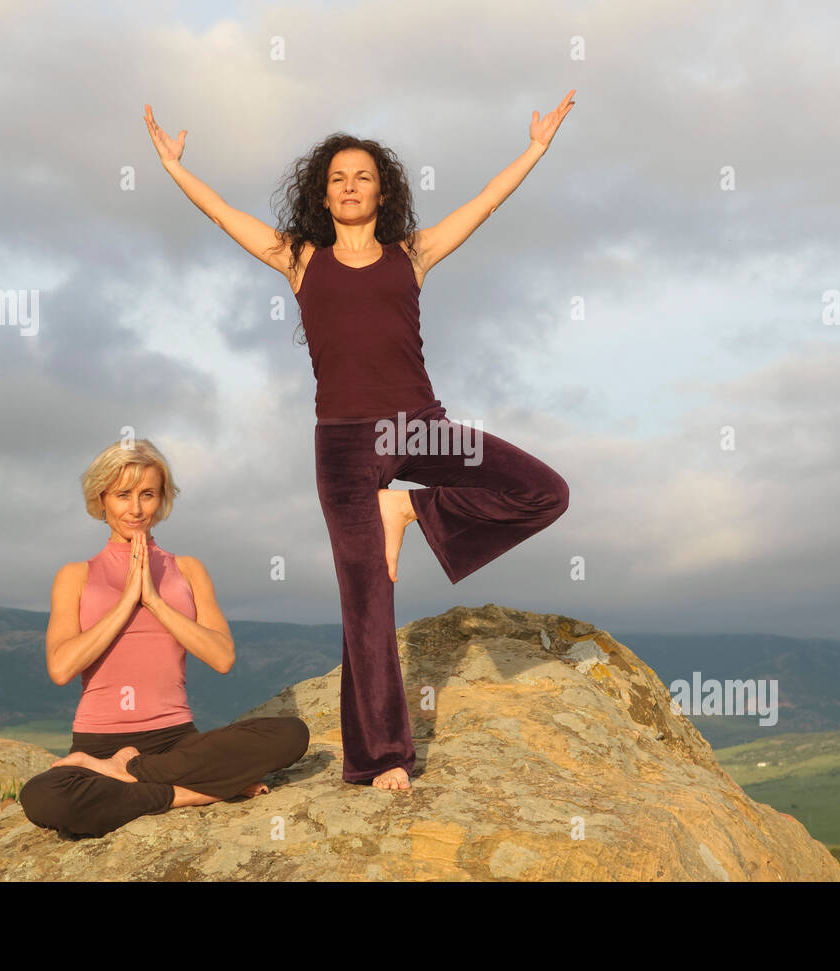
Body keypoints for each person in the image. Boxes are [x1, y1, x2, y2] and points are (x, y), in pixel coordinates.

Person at [143, 90, 574, 791]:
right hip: (343, 445)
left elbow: (488, 201)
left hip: (419, 425)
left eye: (363, 176)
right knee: (366, 601)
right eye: (338, 177)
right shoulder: (299, 258)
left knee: (544, 490)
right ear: (324, 191)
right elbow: (225, 217)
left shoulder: (413, 252)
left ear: (383, 191)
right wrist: (173, 168)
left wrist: (534, 149)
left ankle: (409, 509)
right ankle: (381, 759)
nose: (349, 185)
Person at [19, 439, 309, 839]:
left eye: (147, 495)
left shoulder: (187, 570)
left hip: (176, 743)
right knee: (43, 797)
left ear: (161, 500)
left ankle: (133, 775)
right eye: (123, 495)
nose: (136, 509)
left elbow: (222, 657)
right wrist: (126, 602)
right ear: (101, 498)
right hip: (97, 746)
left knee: (292, 733)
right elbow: (61, 667)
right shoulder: (76, 575)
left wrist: (154, 600)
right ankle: (196, 792)